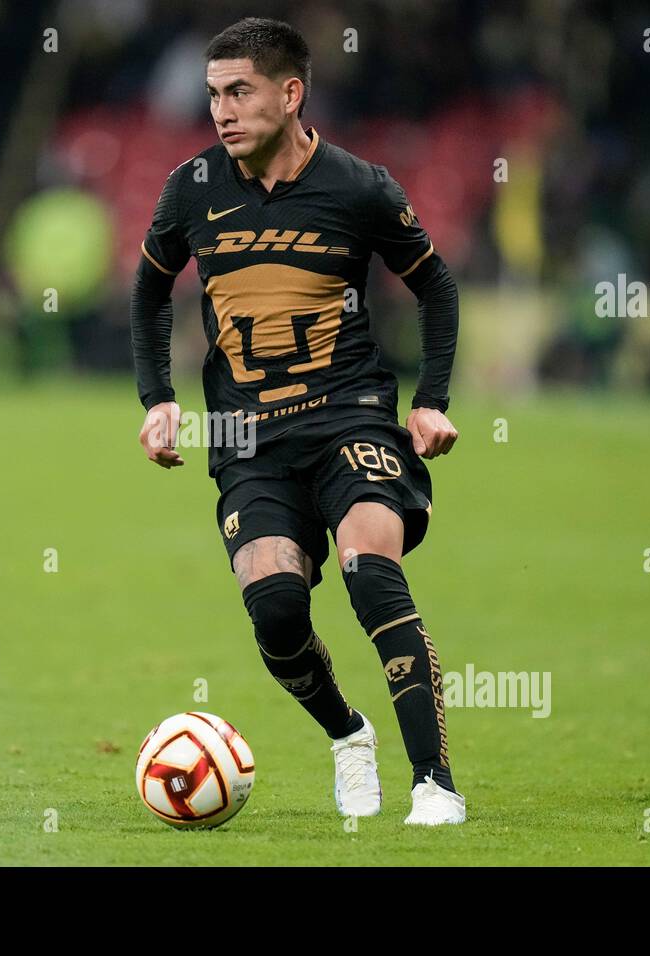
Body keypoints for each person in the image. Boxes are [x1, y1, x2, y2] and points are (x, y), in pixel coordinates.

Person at [130, 17, 464, 825]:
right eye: (213, 94)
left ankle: (434, 782)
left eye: (239, 91)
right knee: (276, 609)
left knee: (368, 566)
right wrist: (159, 399)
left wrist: (431, 403)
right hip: (247, 442)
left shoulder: (359, 187)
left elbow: (437, 288)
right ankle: (349, 735)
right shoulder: (192, 189)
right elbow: (147, 292)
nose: (222, 110)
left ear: (290, 93)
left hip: (350, 419)